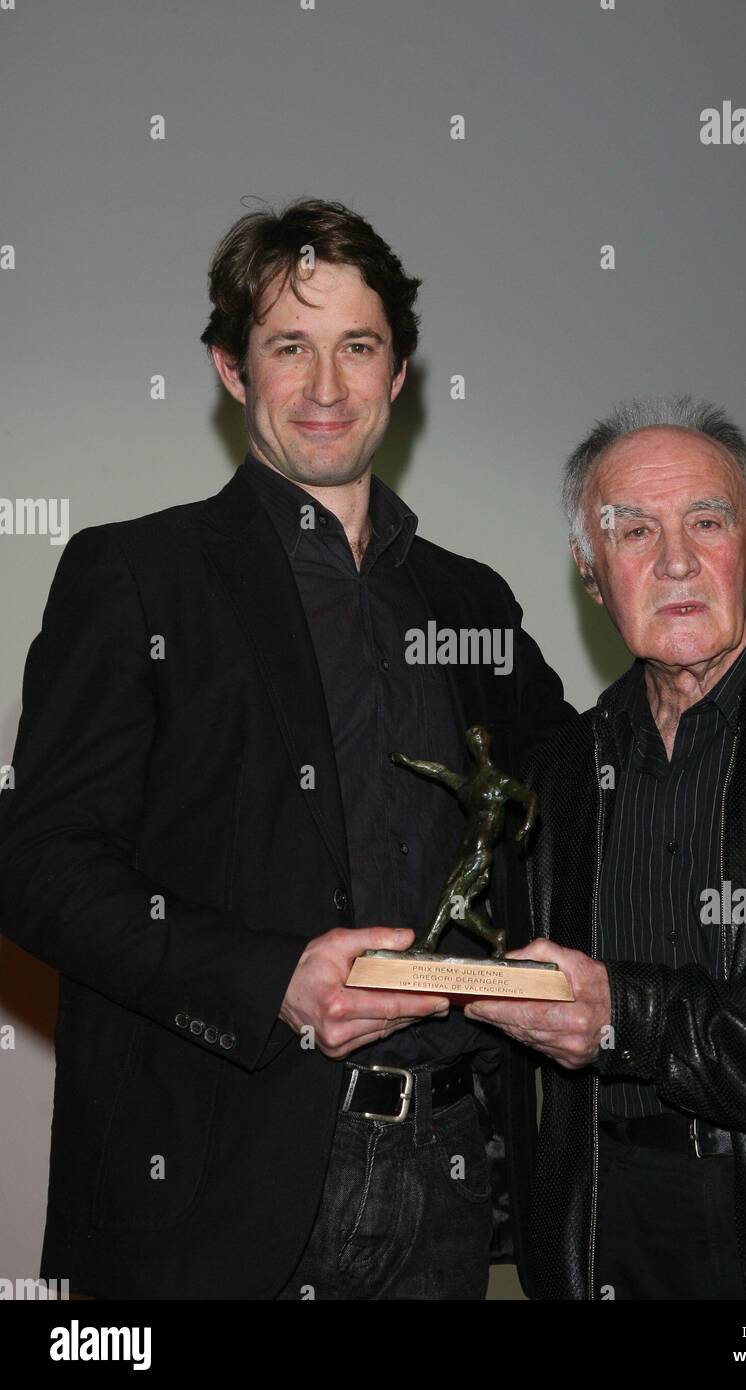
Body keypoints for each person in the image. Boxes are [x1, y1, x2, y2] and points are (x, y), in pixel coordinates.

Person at [0, 197, 573, 1299]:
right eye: (288, 348)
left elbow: (569, 813)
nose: (324, 388)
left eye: (356, 347)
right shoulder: (134, 578)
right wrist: (276, 982)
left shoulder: (471, 598)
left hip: (450, 1180)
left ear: (398, 372)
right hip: (213, 1182)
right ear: (230, 369)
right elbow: (38, 866)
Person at [464, 395, 746, 1299]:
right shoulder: (557, 773)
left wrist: (631, 1017)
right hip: (605, 1228)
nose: (675, 559)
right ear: (591, 574)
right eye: (632, 532)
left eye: (706, 522)